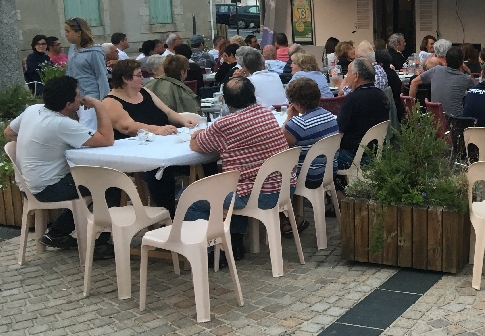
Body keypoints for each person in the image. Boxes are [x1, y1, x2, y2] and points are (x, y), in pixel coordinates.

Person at [4, 75, 116, 257]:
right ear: (68, 104)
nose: (81, 99)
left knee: (88, 182)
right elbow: (107, 139)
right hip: (46, 188)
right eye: (78, 96)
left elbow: (8, 132)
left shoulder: (33, 109)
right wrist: (99, 105)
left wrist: (39, 141)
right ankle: (100, 244)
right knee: (109, 184)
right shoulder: (61, 124)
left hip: (27, 185)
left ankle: (57, 233)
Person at [188, 77, 295, 261]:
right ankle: (234, 241)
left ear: (227, 101)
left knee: (190, 197)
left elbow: (197, 147)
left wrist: (195, 135)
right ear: (253, 94)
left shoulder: (225, 124)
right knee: (235, 183)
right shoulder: (266, 113)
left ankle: (210, 253)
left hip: (258, 195)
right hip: (285, 188)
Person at [102, 60, 198, 215]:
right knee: (161, 173)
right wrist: (158, 129)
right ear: (126, 79)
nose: (142, 78)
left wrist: (183, 121)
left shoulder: (144, 92)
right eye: (138, 75)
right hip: (137, 155)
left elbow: (166, 111)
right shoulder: (110, 102)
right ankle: (168, 214)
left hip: (164, 146)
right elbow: (127, 126)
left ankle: (202, 207)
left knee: (202, 160)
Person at [282, 77, 339, 231]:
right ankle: (296, 215)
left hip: (309, 175)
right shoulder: (330, 116)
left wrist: (289, 117)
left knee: (276, 176)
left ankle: (285, 219)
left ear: (296, 103)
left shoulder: (299, 124)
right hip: (329, 170)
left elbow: (280, 142)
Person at [336, 59, 390, 170]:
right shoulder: (381, 95)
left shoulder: (352, 99)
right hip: (376, 153)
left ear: (356, 76)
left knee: (321, 159)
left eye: (348, 74)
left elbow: (339, 130)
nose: (347, 78)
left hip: (354, 156)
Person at [64, 18, 109, 129]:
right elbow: (69, 72)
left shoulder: (94, 52)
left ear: (79, 33)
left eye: (68, 31)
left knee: (86, 129)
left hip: (91, 97)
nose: (66, 34)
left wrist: (104, 101)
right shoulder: (72, 49)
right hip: (76, 97)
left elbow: (101, 77)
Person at [408, 46, 474, 117]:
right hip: (455, 121)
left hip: (434, 119)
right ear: (462, 62)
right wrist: (468, 71)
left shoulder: (436, 70)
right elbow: (478, 91)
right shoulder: (466, 78)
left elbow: (414, 82)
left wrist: (412, 111)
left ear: (445, 59)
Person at [375, 49, 403, 119]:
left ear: (380, 64)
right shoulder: (392, 72)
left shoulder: (382, 75)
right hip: (397, 106)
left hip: (388, 109)